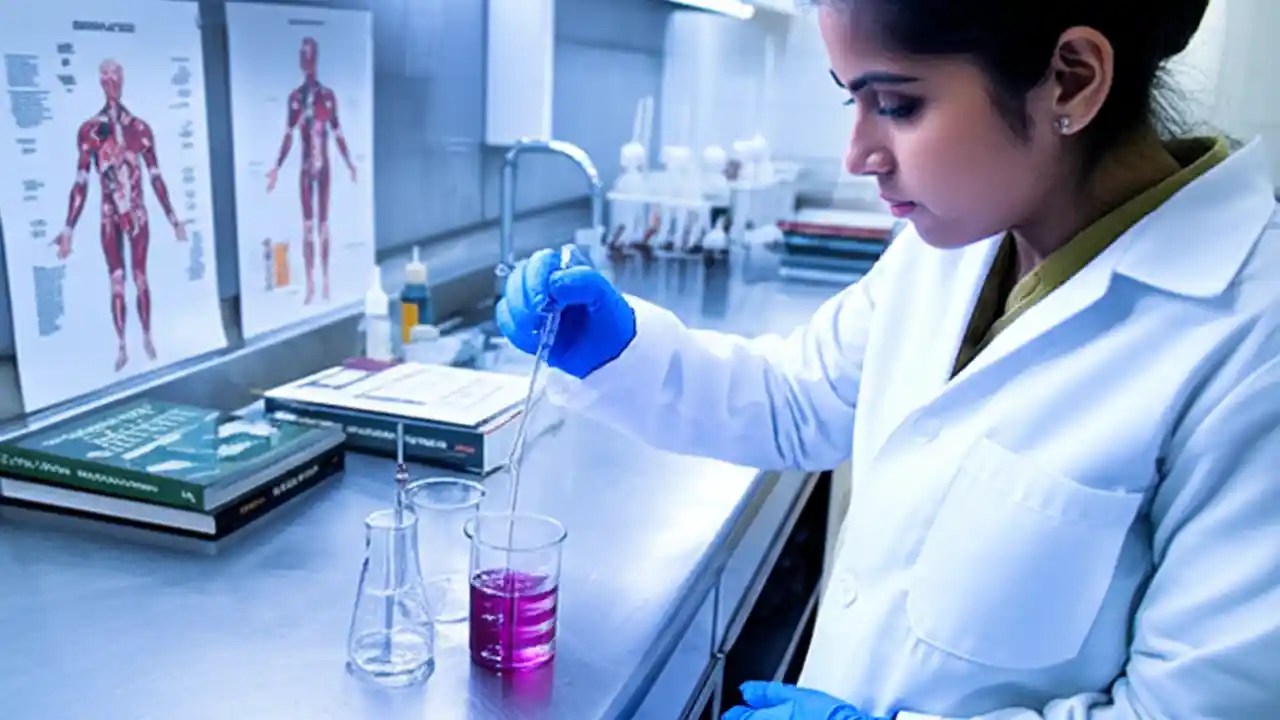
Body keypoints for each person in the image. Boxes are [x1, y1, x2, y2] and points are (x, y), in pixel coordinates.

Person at [498, 0, 1280, 718]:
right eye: (853, 100)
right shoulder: (955, 241)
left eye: (897, 104)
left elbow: (1195, 706)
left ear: (1071, 79)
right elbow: (796, 400)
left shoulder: (1250, 335)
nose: (857, 154)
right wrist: (620, 351)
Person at [54, 59, 187, 372]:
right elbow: (81, 180)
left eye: (115, 73)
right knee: (117, 279)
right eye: (105, 73)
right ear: (100, 80)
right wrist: (68, 227)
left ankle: (146, 336)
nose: (110, 79)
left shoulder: (139, 129)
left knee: (140, 277)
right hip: (109, 215)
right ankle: (122, 345)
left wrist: (173, 218)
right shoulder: (90, 130)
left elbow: (155, 177)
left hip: (137, 213)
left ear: (123, 78)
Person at [266, 36, 358, 305]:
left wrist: (350, 163)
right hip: (306, 169)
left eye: (310, 55)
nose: (306, 61)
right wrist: (276, 168)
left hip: (324, 167)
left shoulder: (328, 97)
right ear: (300, 61)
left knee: (323, 225)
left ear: (315, 59)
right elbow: (288, 135)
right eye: (303, 56)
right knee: (307, 227)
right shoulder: (294, 99)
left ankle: (326, 280)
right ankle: (309, 283)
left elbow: (338, 132)